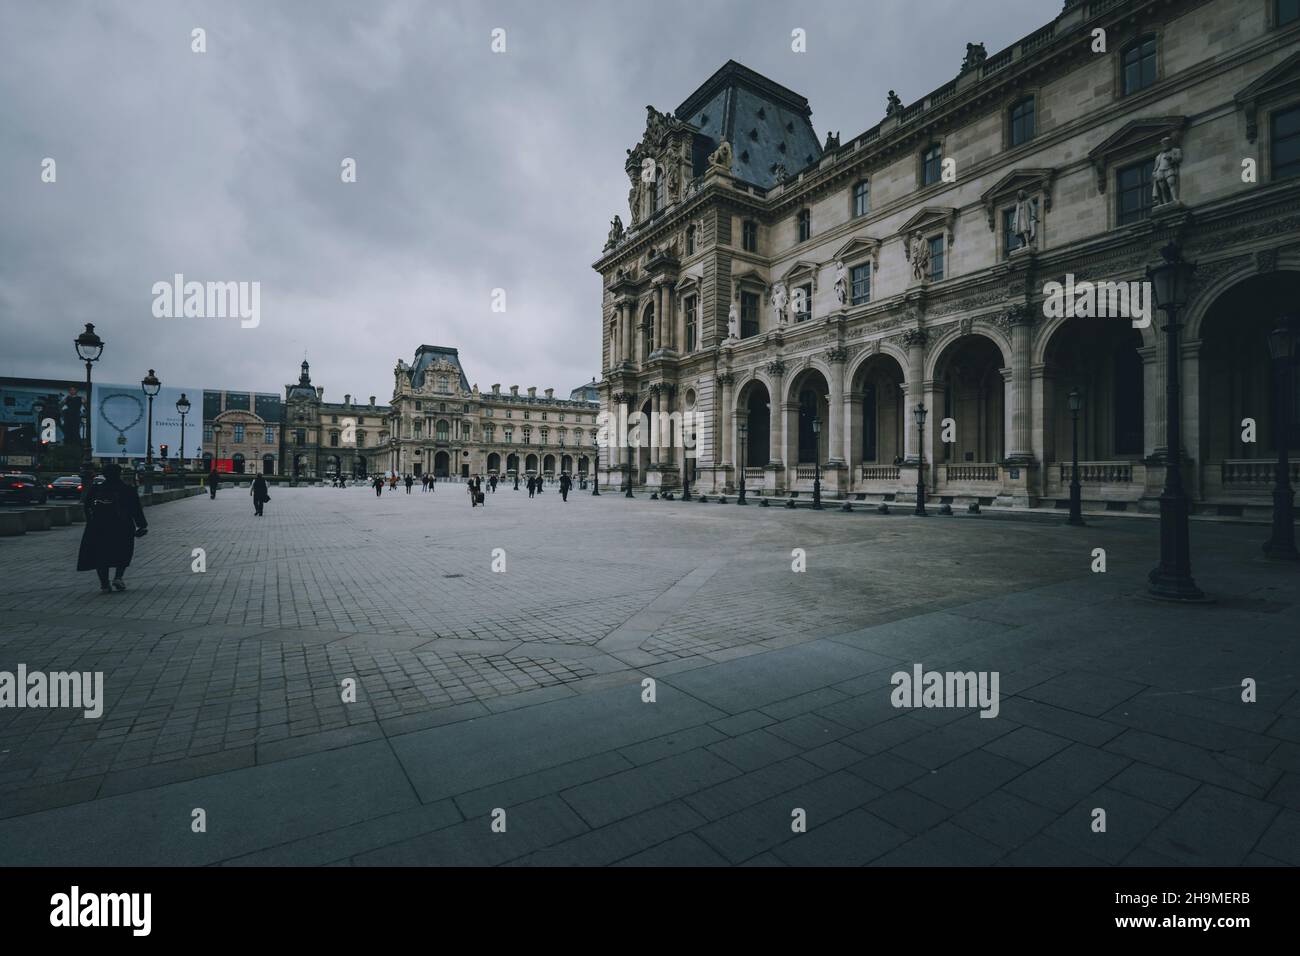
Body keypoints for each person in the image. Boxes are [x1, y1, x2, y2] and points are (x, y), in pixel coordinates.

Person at [77, 464, 147, 593]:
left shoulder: (96, 489)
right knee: (123, 551)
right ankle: (118, 577)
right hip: (123, 525)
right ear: (119, 473)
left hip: (99, 526)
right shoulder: (127, 489)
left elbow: (87, 506)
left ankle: (104, 583)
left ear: (104, 474)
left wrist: (90, 522)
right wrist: (142, 525)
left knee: (101, 554)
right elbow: (136, 509)